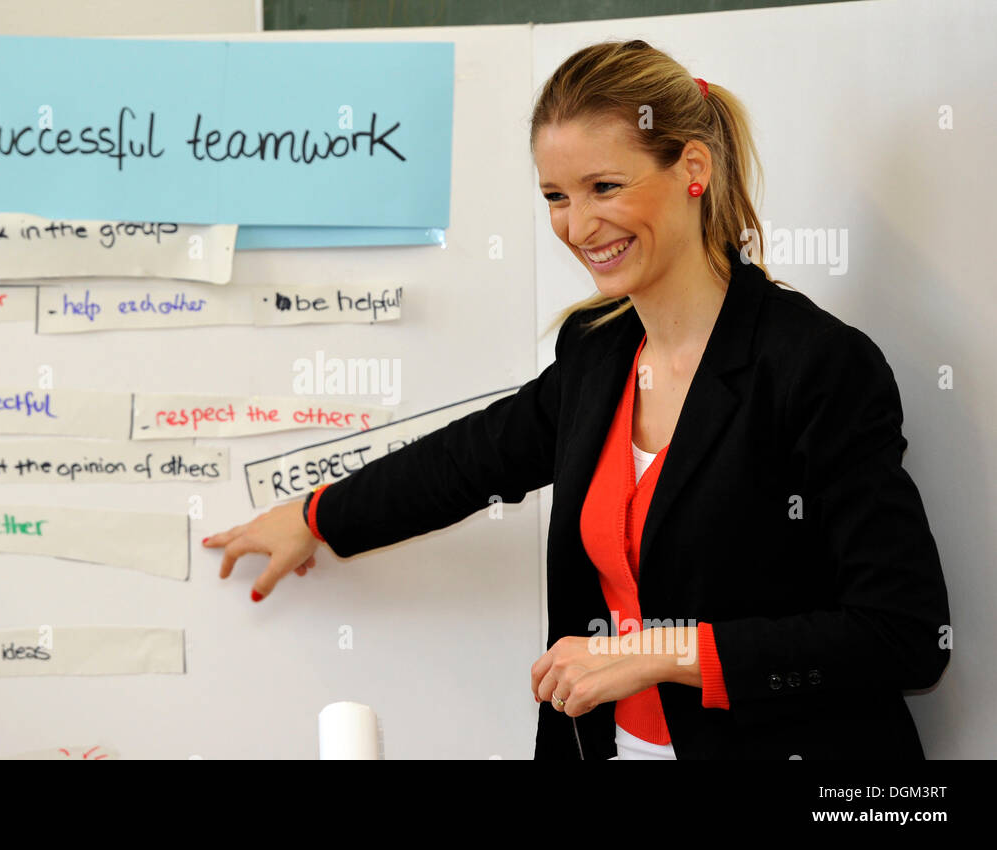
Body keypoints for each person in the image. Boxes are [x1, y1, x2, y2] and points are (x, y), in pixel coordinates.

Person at [202, 39, 951, 759]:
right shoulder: (599, 351)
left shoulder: (815, 366)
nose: (578, 225)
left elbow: (903, 632)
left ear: (694, 168)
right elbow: (471, 459)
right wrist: (316, 515)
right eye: (556, 196)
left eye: (605, 187)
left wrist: (661, 654)